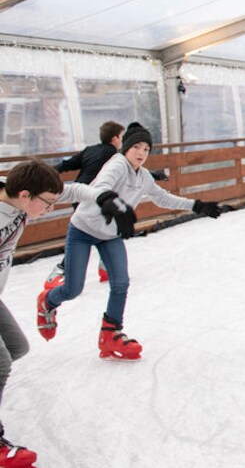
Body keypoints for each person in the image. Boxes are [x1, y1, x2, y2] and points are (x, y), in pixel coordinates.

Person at [36, 122, 223, 360]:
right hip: (82, 229)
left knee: (121, 283)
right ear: (125, 148)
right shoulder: (116, 165)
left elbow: (162, 198)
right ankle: (47, 302)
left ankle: (110, 334)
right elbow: (101, 186)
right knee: (73, 289)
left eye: (146, 148)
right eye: (136, 146)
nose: (141, 153)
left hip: (110, 236)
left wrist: (196, 206)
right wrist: (112, 203)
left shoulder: (143, 176)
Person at [1, 160, 107, 467]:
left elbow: (70, 190)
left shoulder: (25, 193)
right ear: (24, 196)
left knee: (17, 348)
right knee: (1, 363)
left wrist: (102, 196)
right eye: (46, 205)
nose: (49, 209)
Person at [45, 121, 163, 289]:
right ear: (115, 139)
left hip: (80, 196)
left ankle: (103, 267)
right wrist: (154, 175)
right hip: (96, 199)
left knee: (105, 228)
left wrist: (45, 173)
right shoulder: (115, 156)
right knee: (95, 230)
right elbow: (128, 168)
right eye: (122, 137)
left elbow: (67, 164)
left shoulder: (89, 150)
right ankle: (62, 270)